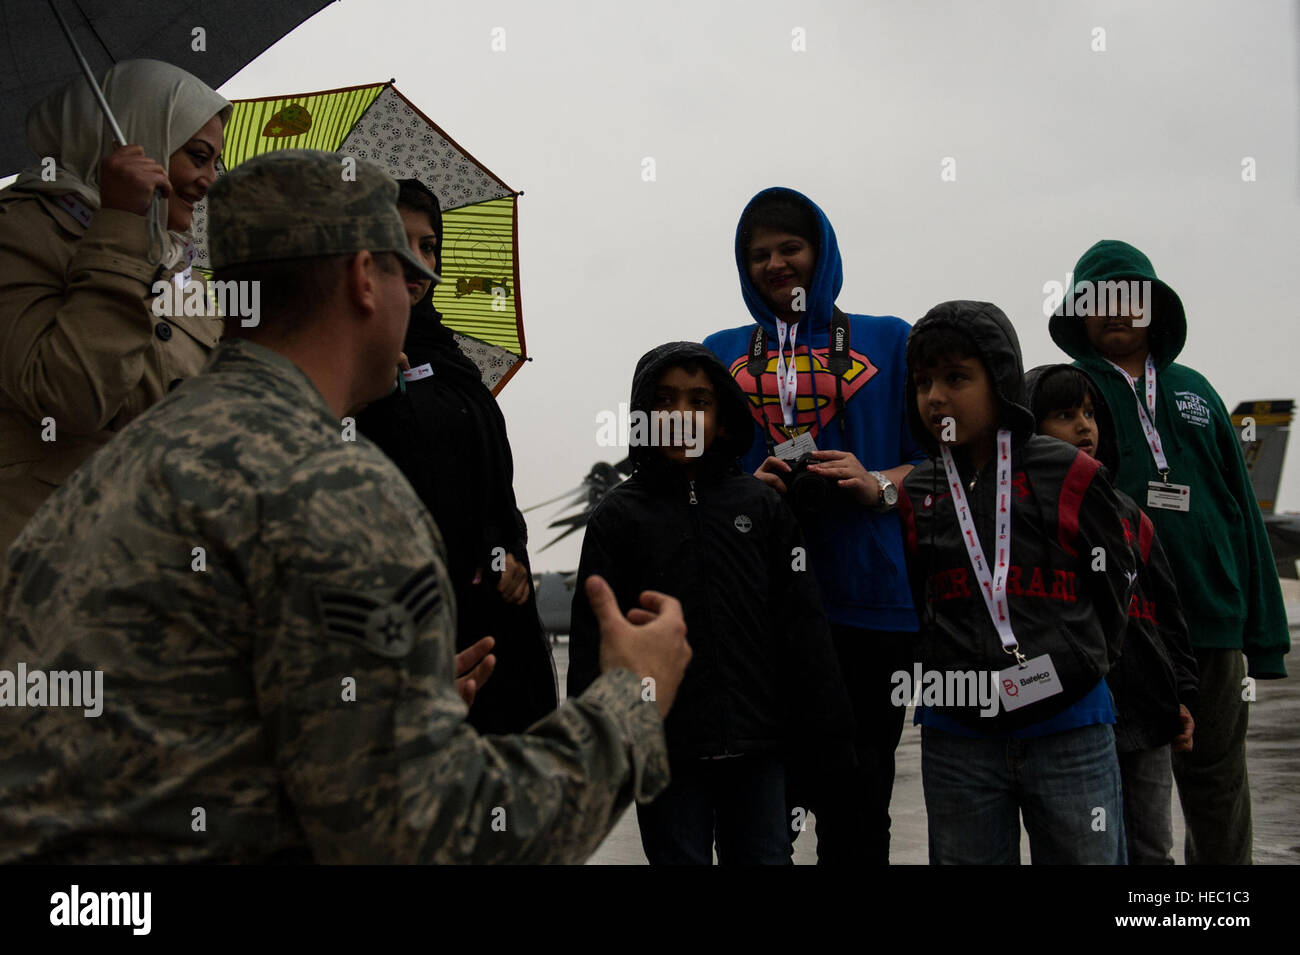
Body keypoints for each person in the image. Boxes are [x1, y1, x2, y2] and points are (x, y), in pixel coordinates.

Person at [0, 150, 691, 864]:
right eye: (407, 273)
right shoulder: (331, 488)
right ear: (365, 277)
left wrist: (372, 718)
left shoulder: (115, 463)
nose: (413, 295)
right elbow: (431, 838)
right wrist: (630, 702)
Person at [1048, 239, 1290, 864]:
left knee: (1217, 790)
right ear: (1078, 312)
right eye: (1098, 299)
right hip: (1121, 632)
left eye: (1130, 295)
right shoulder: (1066, 398)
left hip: (1212, 626)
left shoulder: (1196, 392)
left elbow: (1242, 513)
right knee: (1128, 795)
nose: (1116, 310)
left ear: (1154, 307)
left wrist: (1262, 637)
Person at [566, 342, 852, 864]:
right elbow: (592, 641)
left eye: (699, 401)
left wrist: (823, 739)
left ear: (723, 420)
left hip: (761, 747)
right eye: (665, 400)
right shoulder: (617, 517)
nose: (680, 415)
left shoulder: (762, 507)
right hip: (665, 752)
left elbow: (803, 629)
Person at [703, 187, 923, 863]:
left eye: (790, 247)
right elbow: (695, 484)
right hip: (761, 610)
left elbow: (941, 462)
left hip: (870, 605)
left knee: (859, 799)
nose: (775, 263)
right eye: (758, 253)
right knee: (765, 802)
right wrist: (744, 489)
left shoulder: (892, 339)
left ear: (821, 251)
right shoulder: (718, 352)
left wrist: (875, 482)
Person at [897, 300, 1136, 864]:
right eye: (923, 381)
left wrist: (1081, 661)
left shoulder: (1070, 471)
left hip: (1071, 726)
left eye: (957, 378)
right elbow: (912, 598)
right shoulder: (915, 492)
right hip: (958, 738)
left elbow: (1118, 580)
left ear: (1000, 379)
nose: (936, 397)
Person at [0, 59, 230, 554]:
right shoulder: (18, 230)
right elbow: (69, 399)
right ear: (131, 138)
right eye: (198, 155)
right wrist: (121, 222)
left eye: (217, 162)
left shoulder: (172, 261)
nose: (210, 179)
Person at [358, 178, 556, 735]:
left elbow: (488, 477)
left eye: (429, 246)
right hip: (408, 627)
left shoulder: (451, 360)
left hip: (493, 616)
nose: (419, 261)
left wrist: (509, 549)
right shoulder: (342, 363)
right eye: (400, 242)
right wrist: (372, 386)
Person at [1025, 362, 1198, 864]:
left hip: (1146, 716)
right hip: (1073, 718)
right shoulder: (1023, 517)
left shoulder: (1131, 515)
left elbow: (1169, 619)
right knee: (1081, 850)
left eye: (1089, 413)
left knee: (1151, 849)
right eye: (1064, 414)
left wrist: (1182, 697)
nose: (1085, 427)